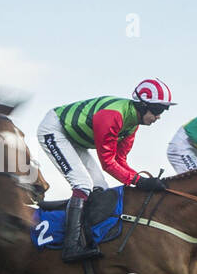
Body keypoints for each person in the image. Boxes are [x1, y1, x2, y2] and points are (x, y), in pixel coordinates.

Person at [36, 79, 174, 262]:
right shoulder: (112, 115)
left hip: (72, 138)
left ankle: (87, 237)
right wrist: (139, 182)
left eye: (163, 110)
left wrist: (141, 180)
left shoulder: (132, 125)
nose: (159, 117)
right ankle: (70, 247)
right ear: (142, 105)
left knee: (100, 186)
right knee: (82, 184)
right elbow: (108, 163)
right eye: (157, 110)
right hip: (54, 130)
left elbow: (120, 160)